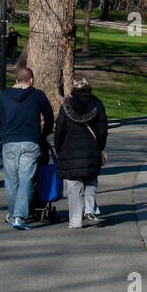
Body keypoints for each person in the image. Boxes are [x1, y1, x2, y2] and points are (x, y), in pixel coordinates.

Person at [0, 66, 55, 230]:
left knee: (11, 181)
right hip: (30, 141)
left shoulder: (5, 96)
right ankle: (20, 216)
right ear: (31, 80)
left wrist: (5, 134)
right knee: (26, 179)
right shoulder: (37, 95)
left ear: (16, 81)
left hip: (10, 141)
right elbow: (49, 117)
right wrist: (43, 134)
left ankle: (13, 211)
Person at [54, 77, 108, 229]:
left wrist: (60, 149)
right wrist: (100, 147)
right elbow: (103, 129)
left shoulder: (66, 105)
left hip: (70, 150)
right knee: (91, 181)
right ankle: (90, 209)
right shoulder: (97, 103)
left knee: (74, 186)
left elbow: (59, 130)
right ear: (88, 89)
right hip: (91, 149)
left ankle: (75, 220)